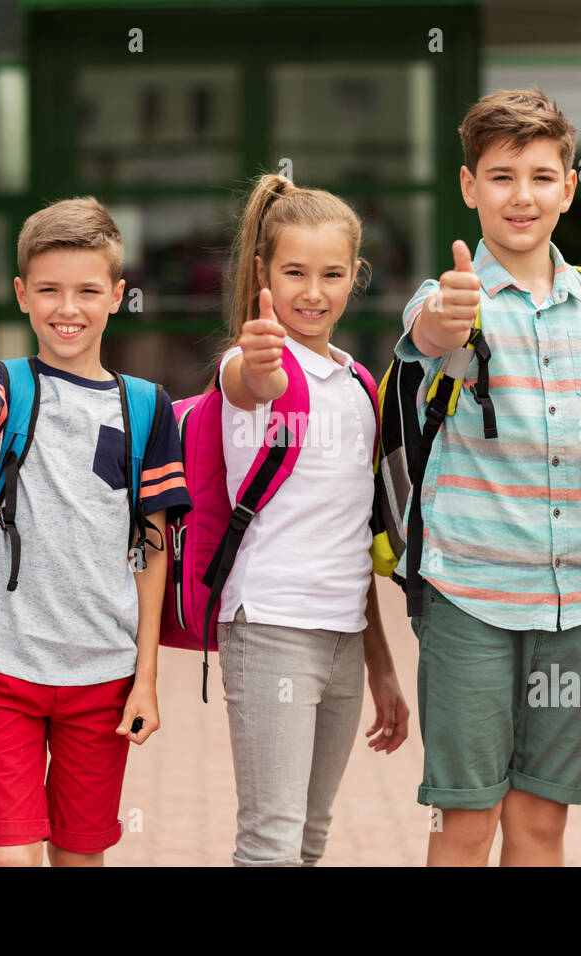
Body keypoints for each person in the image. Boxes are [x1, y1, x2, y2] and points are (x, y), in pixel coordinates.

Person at [396, 89, 581, 865]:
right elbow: (430, 330)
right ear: (469, 186)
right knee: (466, 823)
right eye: (501, 176)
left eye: (542, 176)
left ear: (569, 188)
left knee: (542, 824)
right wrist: (450, 313)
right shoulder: (450, 297)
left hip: (578, 614)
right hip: (467, 602)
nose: (522, 196)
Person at [0, 197, 191, 867]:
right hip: (3, 664)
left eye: (88, 290)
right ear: (23, 295)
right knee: (14, 853)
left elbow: (152, 549)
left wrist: (146, 678)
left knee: (80, 856)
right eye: (49, 290)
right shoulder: (5, 384)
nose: (68, 307)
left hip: (104, 675)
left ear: (117, 295)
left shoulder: (147, 407)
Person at [215, 173, 410, 866]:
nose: (313, 291)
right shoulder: (250, 362)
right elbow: (250, 383)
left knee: (308, 839)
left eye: (332, 274)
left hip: (343, 641)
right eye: (294, 272)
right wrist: (261, 361)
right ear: (263, 270)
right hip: (270, 629)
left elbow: (356, 539)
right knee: (270, 841)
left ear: (355, 276)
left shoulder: (360, 384)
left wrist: (381, 666)